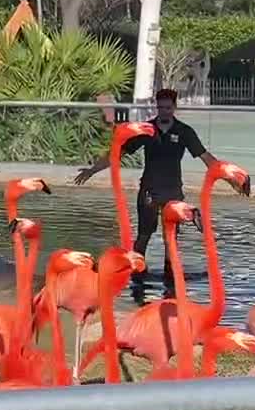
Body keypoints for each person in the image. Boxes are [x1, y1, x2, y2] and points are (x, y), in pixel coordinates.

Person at [72, 88, 220, 304]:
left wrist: (227, 174)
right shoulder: (147, 130)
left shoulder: (184, 131)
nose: (164, 111)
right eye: (160, 107)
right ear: (156, 107)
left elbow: (205, 157)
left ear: (174, 107)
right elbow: (118, 153)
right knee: (143, 237)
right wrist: (92, 170)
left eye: (168, 107)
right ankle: (137, 283)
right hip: (150, 190)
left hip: (173, 192)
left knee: (171, 240)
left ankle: (170, 287)